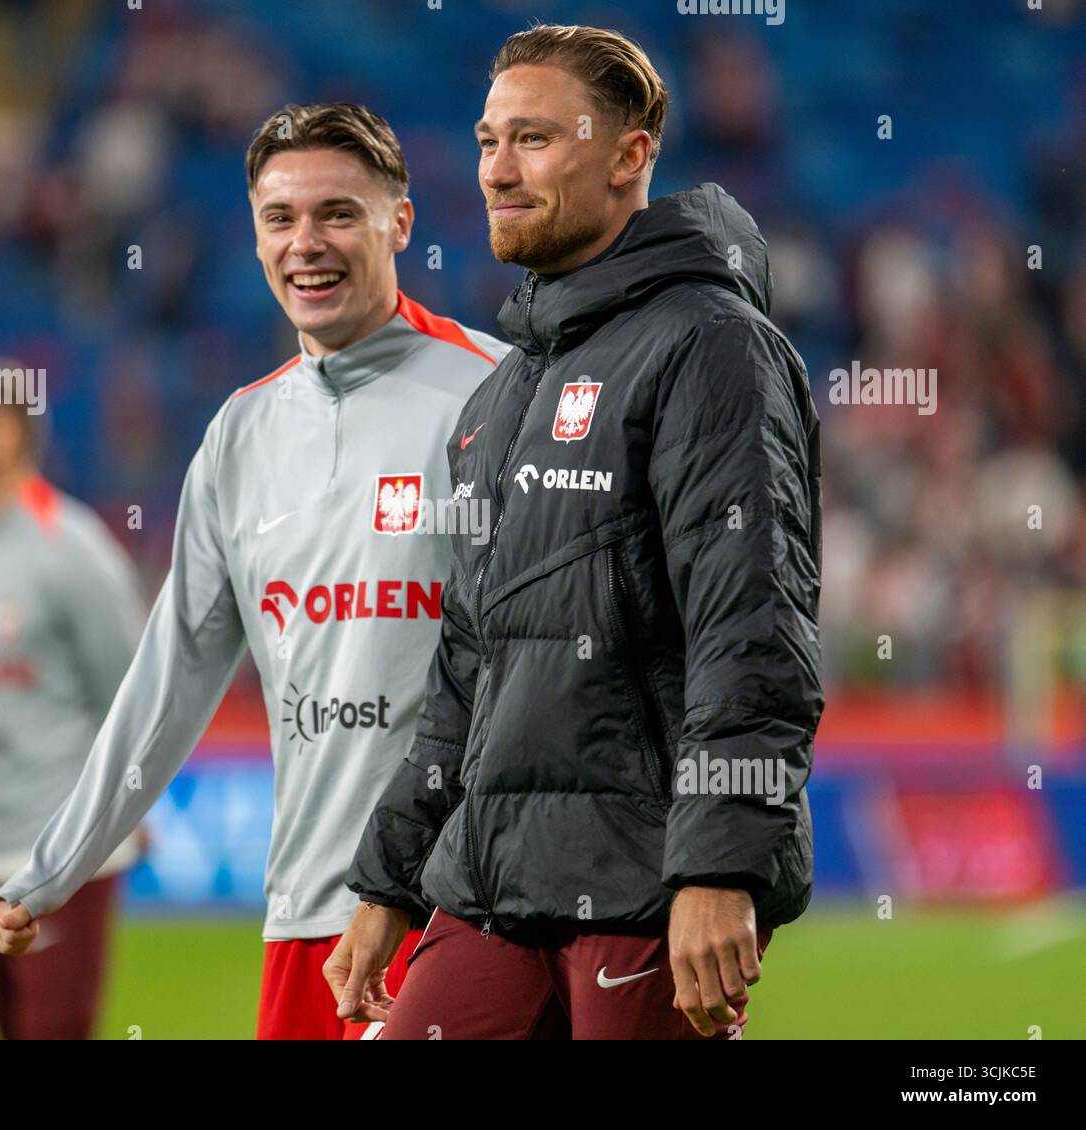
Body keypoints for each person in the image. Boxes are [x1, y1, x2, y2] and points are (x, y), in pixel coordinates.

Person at [329, 24, 824, 1040]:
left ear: (630, 155)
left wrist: (720, 866)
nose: (496, 172)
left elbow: (751, 629)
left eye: (534, 141)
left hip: (647, 880)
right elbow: (467, 666)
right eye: (485, 140)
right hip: (492, 879)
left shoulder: (713, 348)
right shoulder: (500, 396)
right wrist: (388, 879)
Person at [0, 102, 511, 1039]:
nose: (306, 243)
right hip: (307, 919)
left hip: (467, 914)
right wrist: (56, 866)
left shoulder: (496, 392)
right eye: (281, 218)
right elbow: (172, 678)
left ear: (399, 222)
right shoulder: (239, 435)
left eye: (338, 214)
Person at [0, 386, 146, 1039]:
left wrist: (126, 812)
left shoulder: (74, 548)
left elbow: (134, 694)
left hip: (61, 858)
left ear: (4, 438)